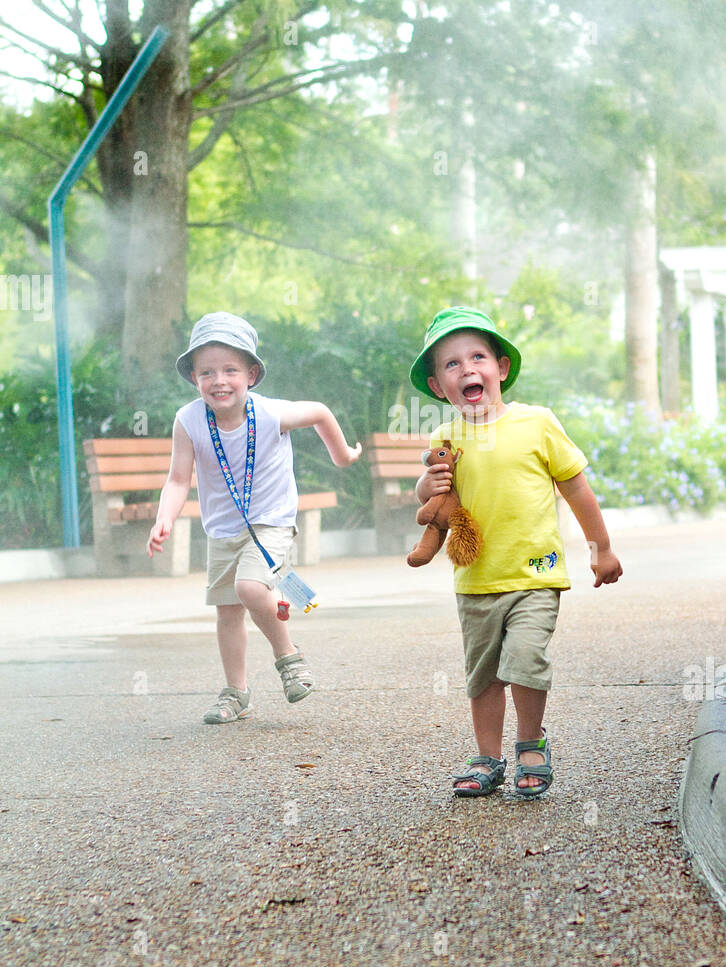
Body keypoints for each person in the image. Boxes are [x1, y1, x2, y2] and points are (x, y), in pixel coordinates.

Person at [410, 306, 622, 797]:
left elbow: (577, 489)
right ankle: (487, 757)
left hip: (534, 574)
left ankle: (531, 744)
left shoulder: (537, 423)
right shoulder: (445, 438)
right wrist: (426, 482)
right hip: (476, 579)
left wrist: (602, 549)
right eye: (451, 364)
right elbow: (434, 499)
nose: (467, 369)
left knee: (526, 658)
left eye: (477, 356)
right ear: (439, 386)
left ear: (500, 368)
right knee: (483, 675)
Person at [147, 312, 361, 723]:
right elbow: (177, 479)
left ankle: (289, 657)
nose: (219, 380)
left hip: (272, 523)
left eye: (230, 369)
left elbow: (318, 411)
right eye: (207, 372)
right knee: (227, 611)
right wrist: (165, 519)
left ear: (251, 374)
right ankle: (236, 693)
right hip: (222, 531)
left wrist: (343, 455)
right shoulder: (189, 420)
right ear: (194, 378)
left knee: (248, 587)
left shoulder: (269, 414)